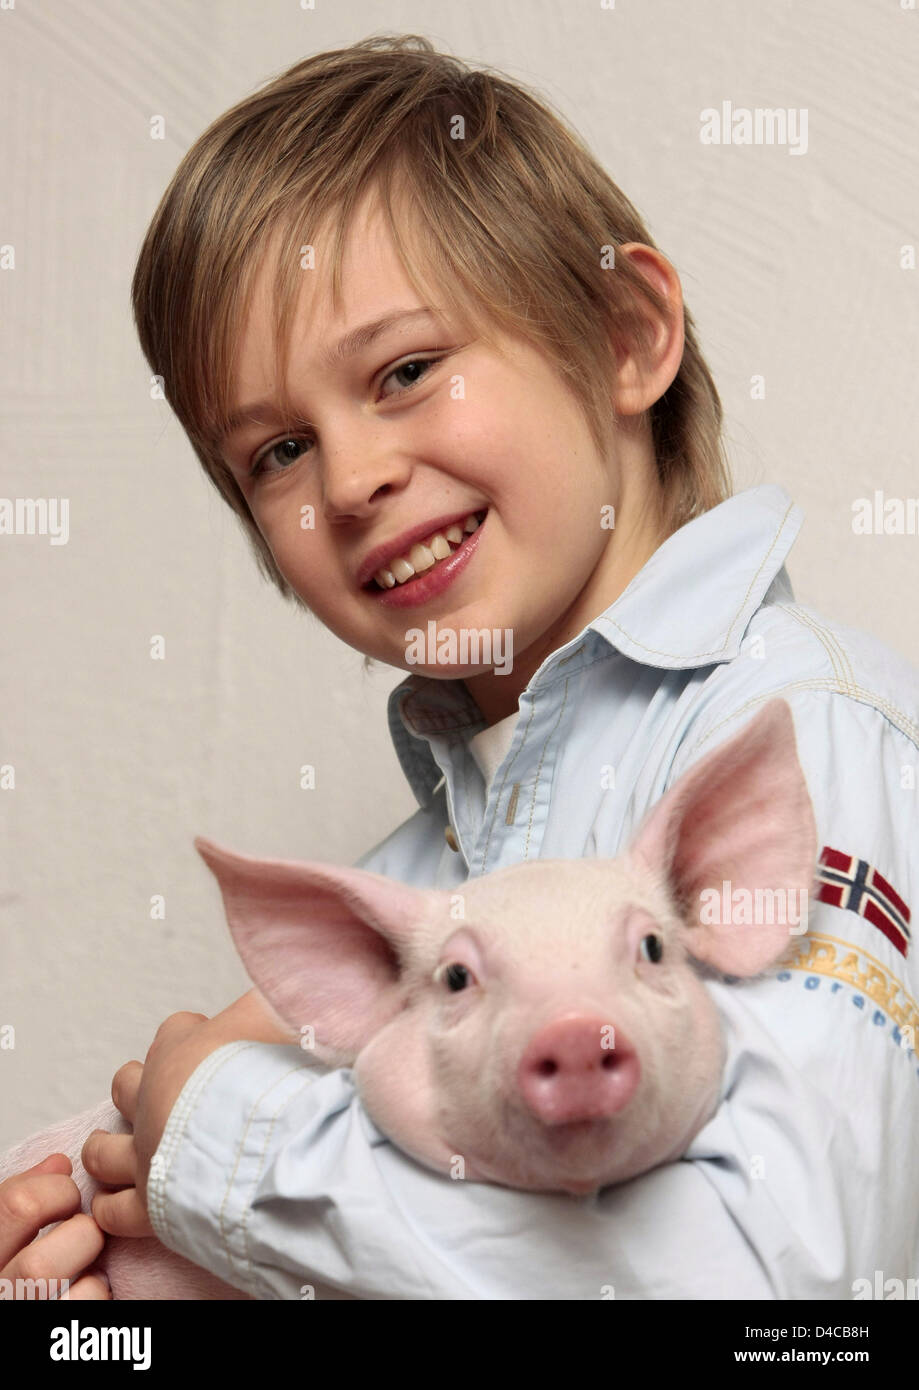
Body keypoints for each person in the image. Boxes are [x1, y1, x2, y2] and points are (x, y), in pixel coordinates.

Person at [4, 34, 917, 1300]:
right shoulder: (410, 888)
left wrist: (218, 1145)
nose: (352, 478)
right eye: (274, 452)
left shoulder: (802, 731)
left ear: (623, 335)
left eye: (406, 370)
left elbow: (778, 1298)